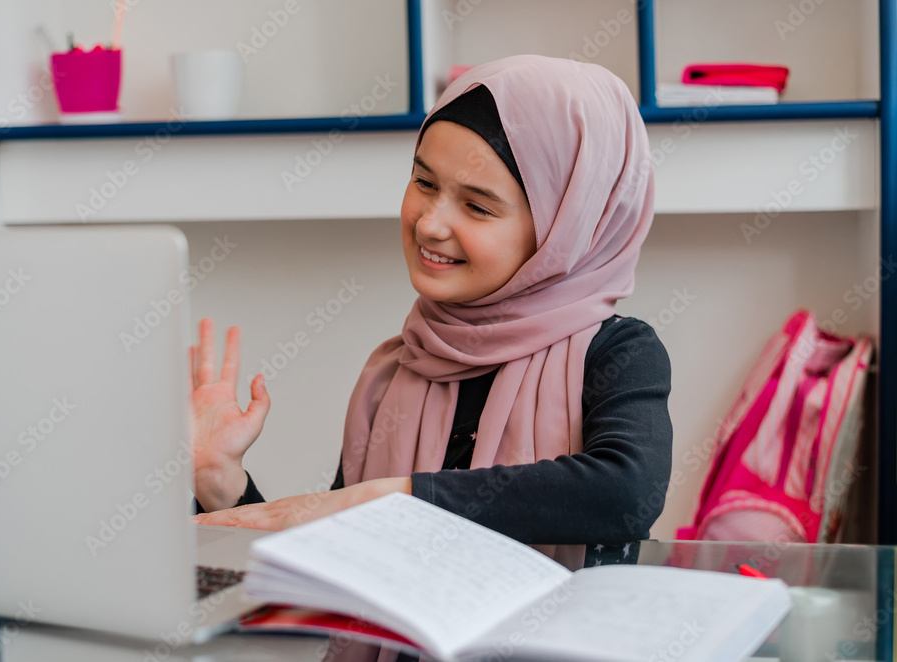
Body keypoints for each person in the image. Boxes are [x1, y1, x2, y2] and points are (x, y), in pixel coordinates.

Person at [190, 54, 673, 568]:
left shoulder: (617, 353)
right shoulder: (394, 369)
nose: (429, 225)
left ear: (565, 229)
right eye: (424, 183)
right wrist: (220, 479)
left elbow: (624, 494)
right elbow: (334, 570)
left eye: (477, 206)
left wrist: (391, 501)